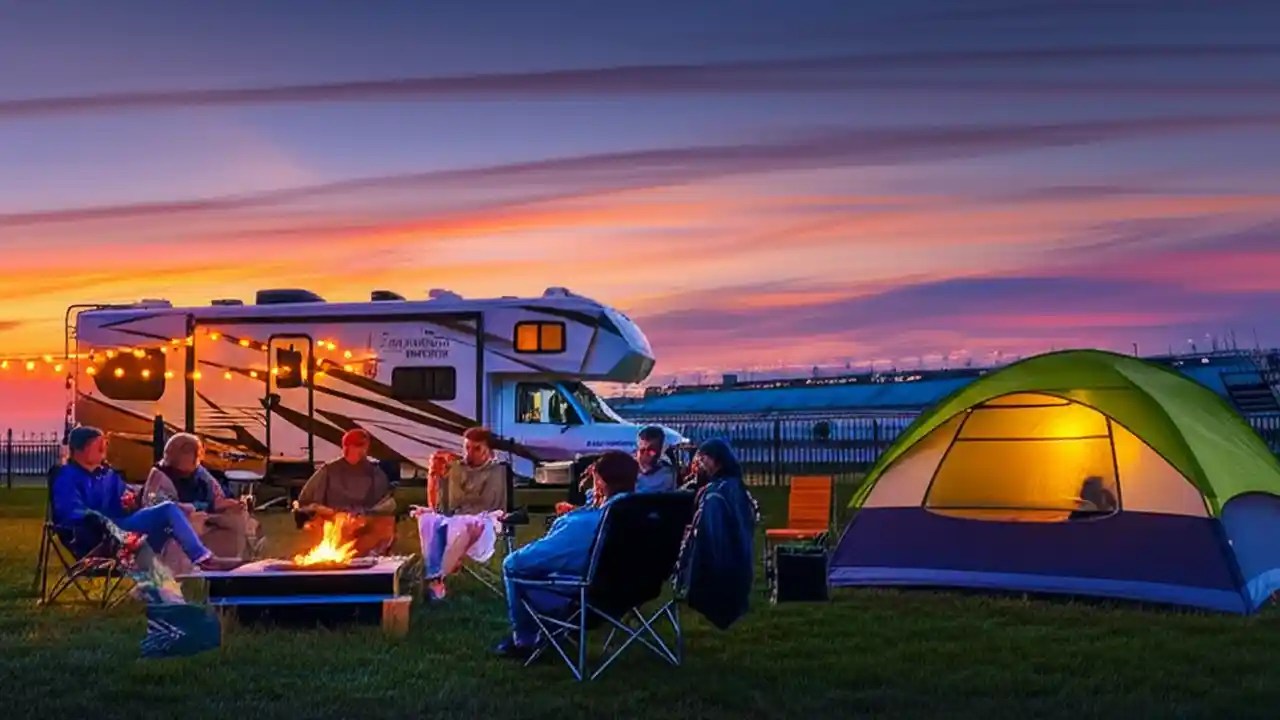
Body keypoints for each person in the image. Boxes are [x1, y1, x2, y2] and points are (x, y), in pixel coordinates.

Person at [494, 450, 638, 658]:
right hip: (630, 593)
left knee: (514, 567)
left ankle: (525, 640)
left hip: (585, 599)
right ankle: (551, 634)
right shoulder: (640, 515)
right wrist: (593, 494)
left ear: (599, 482)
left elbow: (519, 562)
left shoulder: (584, 524)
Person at [51, 426, 222, 570]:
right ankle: (203, 560)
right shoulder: (67, 477)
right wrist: (100, 520)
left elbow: (126, 494)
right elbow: (68, 511)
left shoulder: (106, 474)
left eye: (105, 444)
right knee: (168, 511)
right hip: (97, 537)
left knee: (170, 513)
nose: (104, 449)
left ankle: (182, 570)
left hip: (122, 528)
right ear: (81, 449)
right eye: (98, 445)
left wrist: (133, 498)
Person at [143, 433, 261, 571]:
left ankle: (233, 565)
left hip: (206, 519)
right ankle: (193, 568)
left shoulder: (199, 472)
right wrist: (190, 512)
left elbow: (215, 496)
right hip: (178, 527)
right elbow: (159, 510)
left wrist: (225, 504)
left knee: (236, 518)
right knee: (190, 526)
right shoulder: (160, 476)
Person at [675, 438, 758, 630]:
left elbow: (714, 545)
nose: (697, 466)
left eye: (702, 460)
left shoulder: (714, 496)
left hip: (718, 585)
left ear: (716, 461)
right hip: (741, 578)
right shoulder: (735, 487)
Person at [296, 429, 396, 556]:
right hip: (332, 523)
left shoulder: (374, 473)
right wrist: (329, 512)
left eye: (364, 447)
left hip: (363, 521)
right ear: (347, 447)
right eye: (358, 446)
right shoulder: (328, 471)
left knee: (385, 523)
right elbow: (305, 502)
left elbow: (385, 504)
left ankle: (373, 556)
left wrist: (364, 515)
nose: (362, 451)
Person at [439, 427, 506, 515]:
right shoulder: (455, 468)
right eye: (467, 448)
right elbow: (450, 505)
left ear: (489, 452)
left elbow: (487, 505)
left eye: (477, 449)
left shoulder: (497, 472)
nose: (469, 454)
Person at [635, 426, 677, 493]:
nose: (647, 454)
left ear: (660, 450)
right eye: (642, 450)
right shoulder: (627, 470)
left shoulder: (666, 473)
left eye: (652, 450)